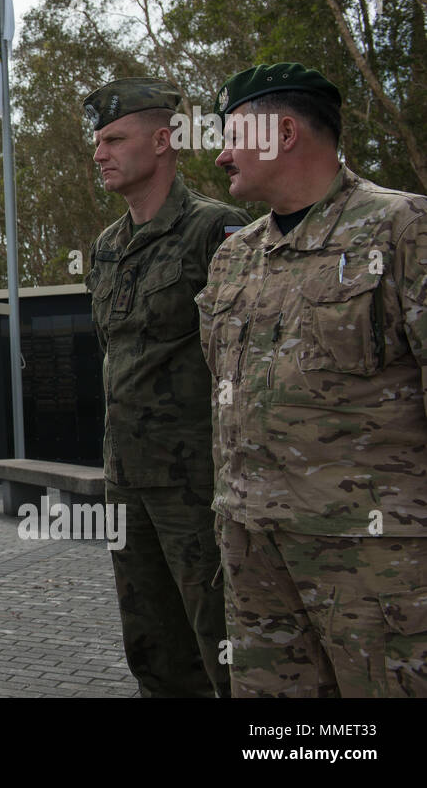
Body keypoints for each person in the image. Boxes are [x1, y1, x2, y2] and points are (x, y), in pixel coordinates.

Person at [197, 62, 427, 697]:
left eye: (232, 133)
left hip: (377, 565)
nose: (220, 155)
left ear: (284, 133)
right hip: (253, 551)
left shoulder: (403, 229)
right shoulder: (234, 256)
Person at [83, 78, 248, 698]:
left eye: (114, 139)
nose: (100, 153)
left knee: (222, 641)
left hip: (198, 482)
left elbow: (241, 360)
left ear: (163, 140)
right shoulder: (106, 248)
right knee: (151, 643)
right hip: (127, 478)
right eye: (97, 141)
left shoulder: (219, 231)